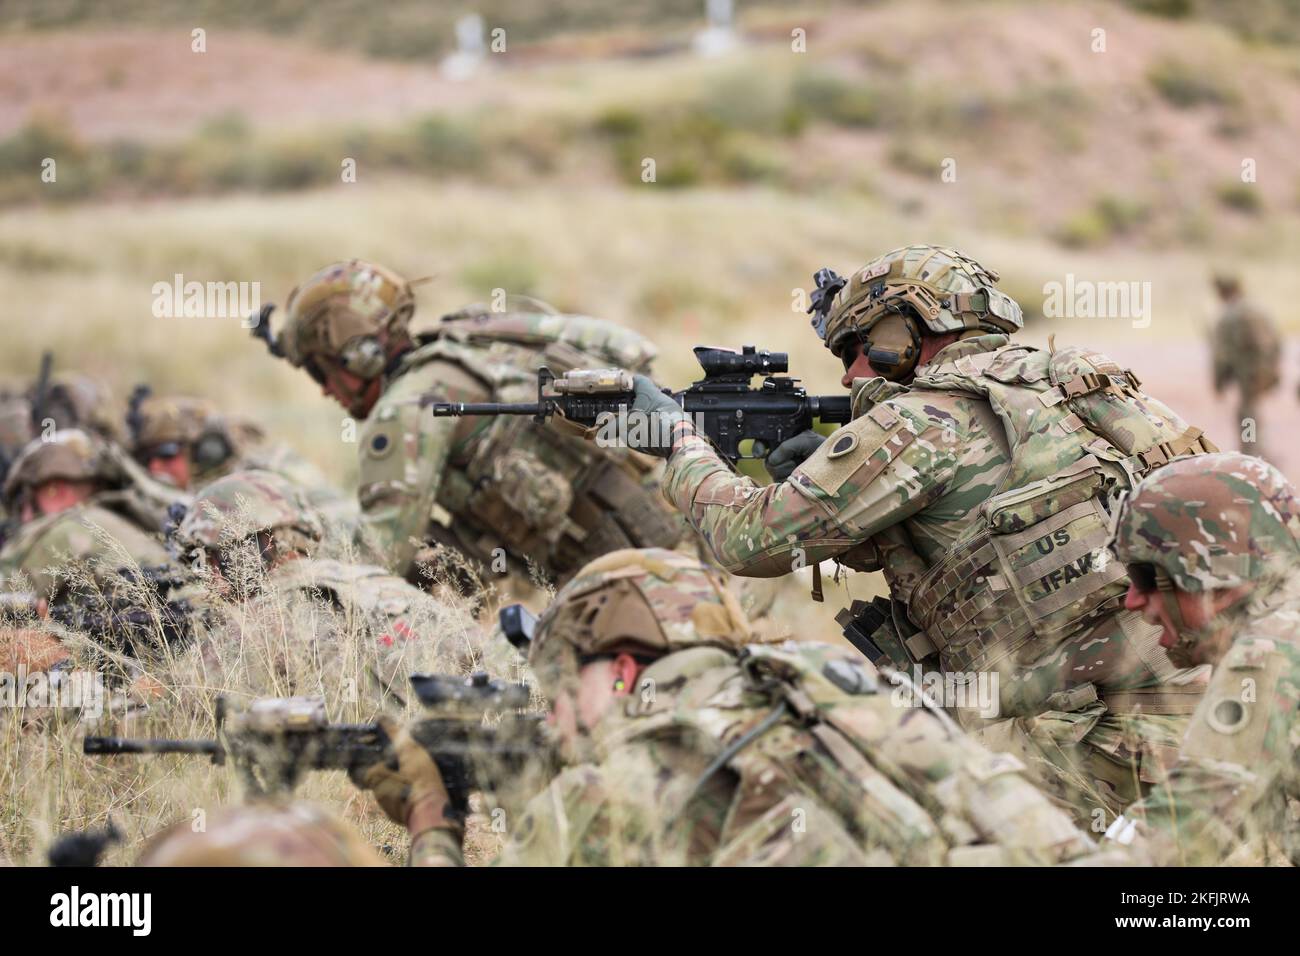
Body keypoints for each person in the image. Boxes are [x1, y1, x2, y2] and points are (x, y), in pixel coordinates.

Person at [618, 244, 1219, 821]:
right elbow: (989, 527)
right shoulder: (1081, 382)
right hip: (1209, 718)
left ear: (907, 332)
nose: (852, 374)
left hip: (1092, 752)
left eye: (859, 346)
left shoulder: (919, 419)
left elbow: (747, 540)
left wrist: (677, 442)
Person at [354, 548, 1104, 866]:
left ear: (619, 668)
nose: (555, 720)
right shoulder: (843, 690)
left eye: (561, 692)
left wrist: (432, 823)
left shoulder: (610, 789)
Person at [261, 260, 686, 590]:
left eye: (320, 372)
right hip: (679, 530)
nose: (323, 391)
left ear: (357, 355)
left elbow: (376, 557)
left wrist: (289, 564)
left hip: (644, 577)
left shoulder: (406, 408)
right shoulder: (472, 343)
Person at [1104, 452, 1300, 865]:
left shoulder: (1272, 652)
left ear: (1214, 576)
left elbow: (1179, 831)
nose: (1132, 600)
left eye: (1145, 577)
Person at [0, 429, 198, 659]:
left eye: (24, 503)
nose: (23, 518)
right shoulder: (125, 518)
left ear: (57, 491)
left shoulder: (67, 530)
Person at [1209, 274, 1280, 456]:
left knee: (1246, 412)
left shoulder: (1230, 316)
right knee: (1252, 410)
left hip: (1247, 373)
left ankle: (1252, 452)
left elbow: (1223, 355)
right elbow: (1276, 341)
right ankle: (1258, 449)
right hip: (1263, 370)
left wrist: (1219, 381)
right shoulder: (1258, 310)